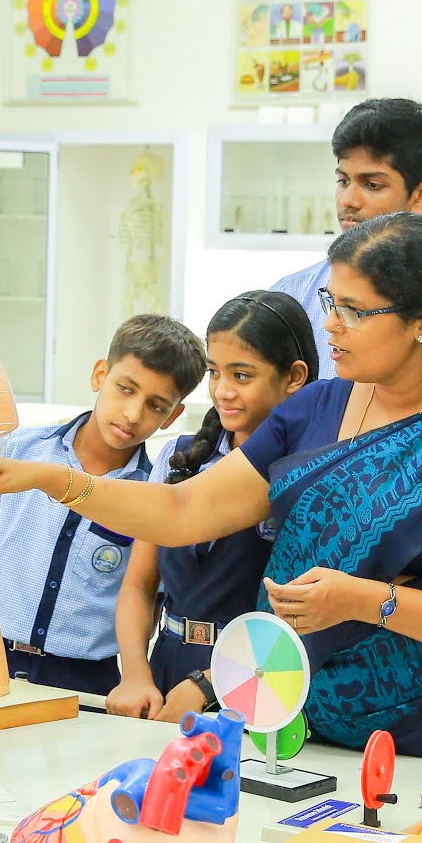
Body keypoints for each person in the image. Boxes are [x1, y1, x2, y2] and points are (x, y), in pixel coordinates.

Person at [0, 213, 422, 760]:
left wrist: (368, 601)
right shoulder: (318, 407)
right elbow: (186, 509)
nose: (332, 325)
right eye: (331, 301)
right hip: (286, 727)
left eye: (354, 311)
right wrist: (57, 481)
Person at [108, 292, 316, 723]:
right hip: (166, 674)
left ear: (294, 376)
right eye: (213, 372)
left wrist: (209, 683)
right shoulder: (178, 458)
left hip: (261, 683)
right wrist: (135, 675)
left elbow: (307, 616)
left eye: (241, 375)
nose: (222, 391)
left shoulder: (311, 473)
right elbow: (138, 586)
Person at [0, 315, 206, 696]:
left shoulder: (153, 499)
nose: (133, 414)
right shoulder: (20, 451)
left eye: (155, 405)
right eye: (125, 389)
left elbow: (146, 597)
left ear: (174, 415)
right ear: (100, 375)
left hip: (86, 682)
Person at [271, 97, 422, 379]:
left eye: (372, 185)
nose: (348, 200)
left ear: (421, 195)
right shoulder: (292, 297)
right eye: (343, 181)